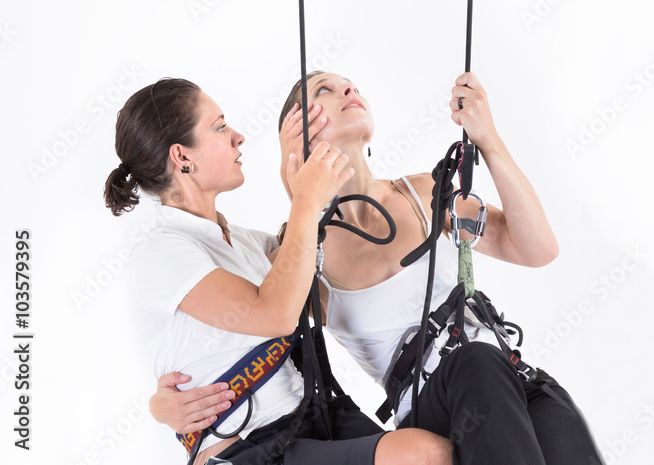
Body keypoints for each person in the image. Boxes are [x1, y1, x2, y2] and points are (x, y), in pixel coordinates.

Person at [150, 71, 605, 465]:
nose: (347, 89)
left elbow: (537, 248)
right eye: (324, 90)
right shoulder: (300, 251)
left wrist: (489, 139)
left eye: (350, 84)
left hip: (515, 379)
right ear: (298, 133)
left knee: (506, 380)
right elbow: (257, 323)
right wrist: (164, 406)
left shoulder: (424, 193)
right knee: (475, 360)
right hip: (438, 404)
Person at [103, 77, 451, 465]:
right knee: (423, 456)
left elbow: (307, 270)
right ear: (182, 157)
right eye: (219, 127)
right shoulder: (162, 250)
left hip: (315, 418)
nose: (238, 137)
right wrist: (303, 200)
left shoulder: (251, 244)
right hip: (248, 448)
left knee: (441, 452)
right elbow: (276, 313)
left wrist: (297, 182)